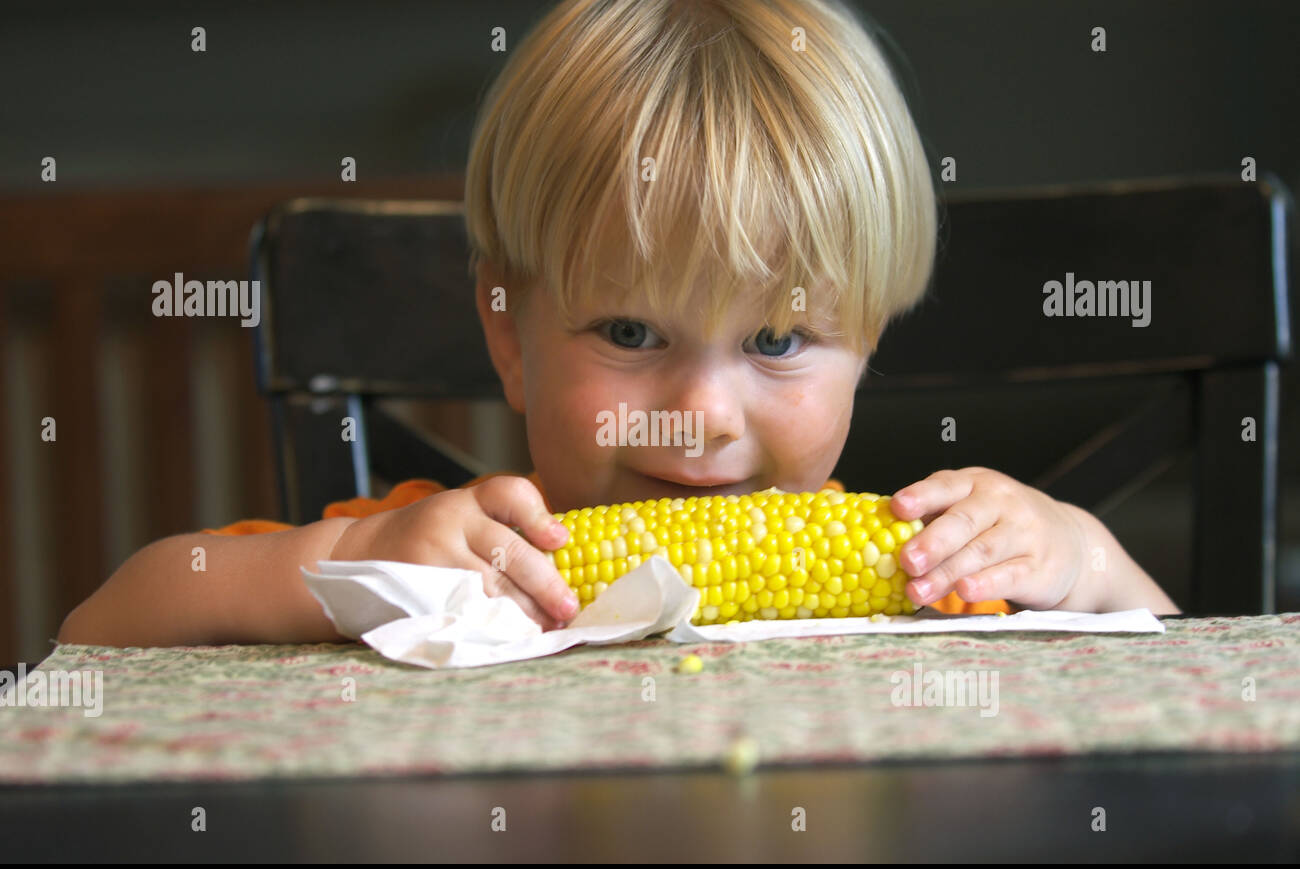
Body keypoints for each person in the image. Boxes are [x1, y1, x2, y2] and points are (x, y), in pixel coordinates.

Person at [58, 0, 1178, 649]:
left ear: (869, 340)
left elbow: (1173, 674)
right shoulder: (448, 566)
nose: (700, 416)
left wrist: (1085, 560)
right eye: (632, 335)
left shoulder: (936, 577)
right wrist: (355, 560)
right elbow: (107, 631)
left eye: (777, 342)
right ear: (507, 334)